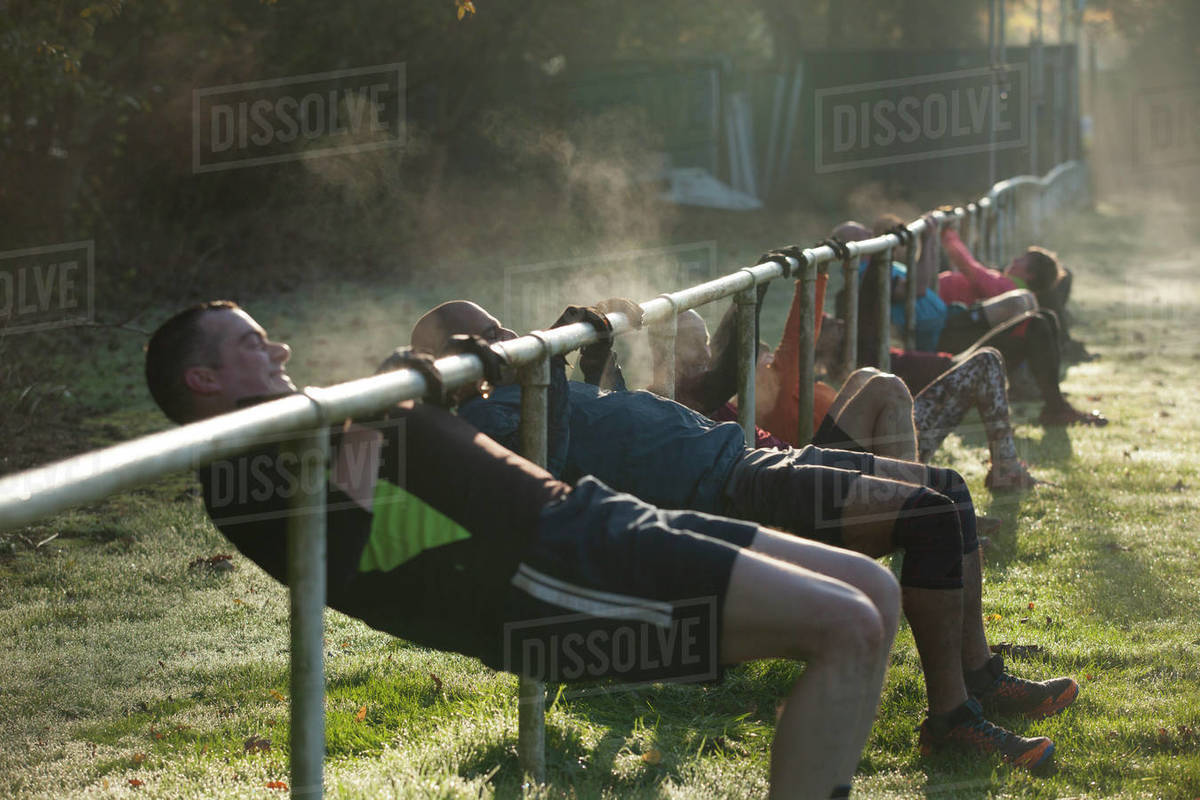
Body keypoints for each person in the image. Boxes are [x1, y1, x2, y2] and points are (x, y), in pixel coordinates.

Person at [145, 300, 902, 800]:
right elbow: (369, 547)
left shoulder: (299, 431)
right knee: (846, 625)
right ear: (203, 378)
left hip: (586, 520)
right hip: (550, 574)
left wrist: (434, 393)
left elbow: (376, 480)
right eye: (251, 343)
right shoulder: (241, 470)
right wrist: (399, 394)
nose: (277, 345)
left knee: (874, 590)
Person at [413, 299, 1079, 772]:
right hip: (728, 492)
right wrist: (547, 367)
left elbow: (601, 418)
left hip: (742, 457)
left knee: (950, 493)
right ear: (451, 362)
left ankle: (983, 677)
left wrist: (593, 354)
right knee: (930, 519)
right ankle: (952, 722)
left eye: (499, 327)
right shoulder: (488, 425)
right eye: (487, 334)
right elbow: (549, 465)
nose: (505, 337)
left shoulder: (523, 392)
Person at [846, 219, 1107, 428]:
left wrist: (930, 239)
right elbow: (922, 286)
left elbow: (927, 280)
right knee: (1030, 312)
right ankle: (1048, 402)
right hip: (945, 335)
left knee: (1043, 319)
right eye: (861, 234)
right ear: (849, 248)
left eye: (869, 230)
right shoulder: (868, 274)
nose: (870, 234)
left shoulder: (886, 267)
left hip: (956, 324)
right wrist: (937, 237)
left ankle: (1052, 404)